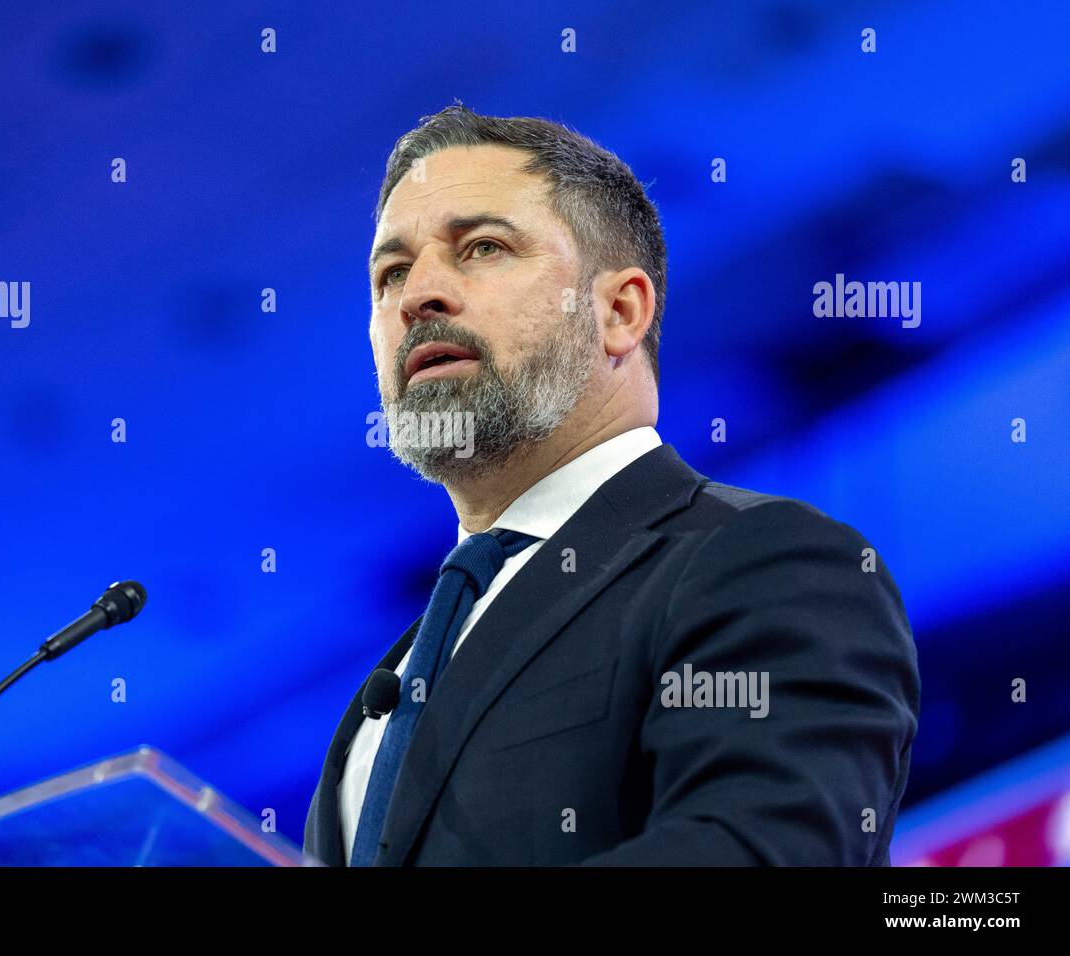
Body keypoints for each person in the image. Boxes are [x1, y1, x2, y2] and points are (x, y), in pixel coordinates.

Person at [304, 104, 920, 866]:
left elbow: (754, 852)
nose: (415, 295)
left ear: (620, 310)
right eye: (390, 272)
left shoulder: (765, 564)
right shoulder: (388, 688)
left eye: (483, 247)